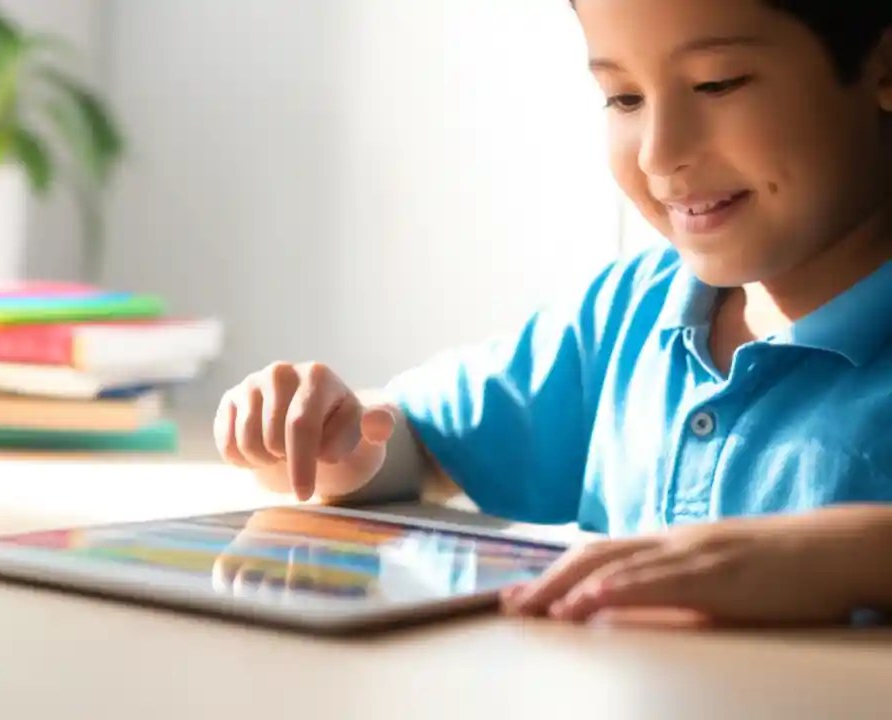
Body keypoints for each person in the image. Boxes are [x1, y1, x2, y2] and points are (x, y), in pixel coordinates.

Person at [213, 0, 892, 627]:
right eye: (623, 97)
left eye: (717, 84)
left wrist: (842, 554)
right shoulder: (627, 314)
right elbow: (419, 442)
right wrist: (328, 436)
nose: (660, 152)